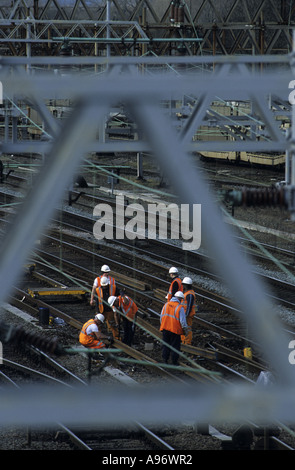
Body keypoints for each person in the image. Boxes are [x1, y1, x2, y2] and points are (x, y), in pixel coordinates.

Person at [160, 291, 188, 366]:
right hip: (175, 330)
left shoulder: (166, 305)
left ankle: (165, 359)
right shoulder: (180, 307)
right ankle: (174, 362)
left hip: (165, 329)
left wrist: (163, 325)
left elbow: (161, 317)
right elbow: (183, 322)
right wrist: (185, 330)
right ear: (180, 299)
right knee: (175, 346)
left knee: (166, 344)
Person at [180, 277, 196, 345]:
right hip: (185, 314)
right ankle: (184, 342)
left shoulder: (189, 294)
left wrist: (186, 315)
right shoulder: (187, 293)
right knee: (184, 328)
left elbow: (189, 306)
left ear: (187, 285)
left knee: (187, 328)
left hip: (187, 315)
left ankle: (187, 343)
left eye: (184, 284)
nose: (183, 286)